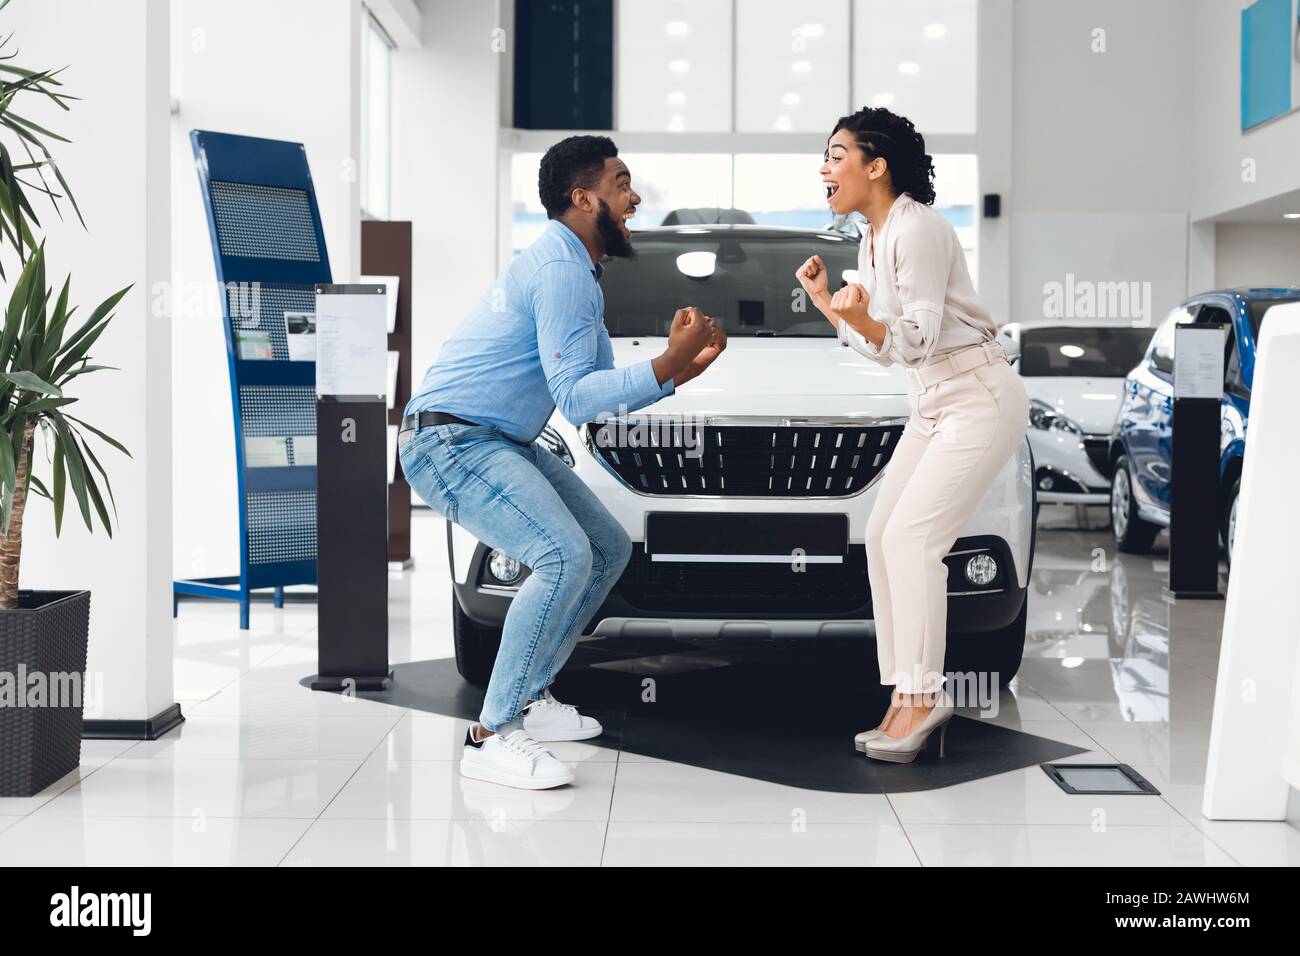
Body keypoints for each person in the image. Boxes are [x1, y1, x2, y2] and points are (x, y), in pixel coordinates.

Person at [398, 135, 726, 790]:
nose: (634, 199)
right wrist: (667, 363)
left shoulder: (575, 269)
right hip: (451, 442)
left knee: (604, 547)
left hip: (492, 439)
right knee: (562, 556)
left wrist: (679, 367)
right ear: (584, 198)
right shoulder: (561, 270)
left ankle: (532, 697)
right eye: (622, 184)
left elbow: (595, 389)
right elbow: (577, 399)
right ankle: (490, 734)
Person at [794, 107, 1028, 764]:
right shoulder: (871, 239)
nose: (825, 168)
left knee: (914, 538)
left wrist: (865, 317)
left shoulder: (916, 229)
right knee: (881, 537)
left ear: (876, 166)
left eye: (837, 154)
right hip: (933, 399)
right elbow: (885, 350)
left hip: (976, 394)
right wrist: (828, 305)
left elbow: (916, 337)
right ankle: (904, 694)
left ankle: (924, 697)